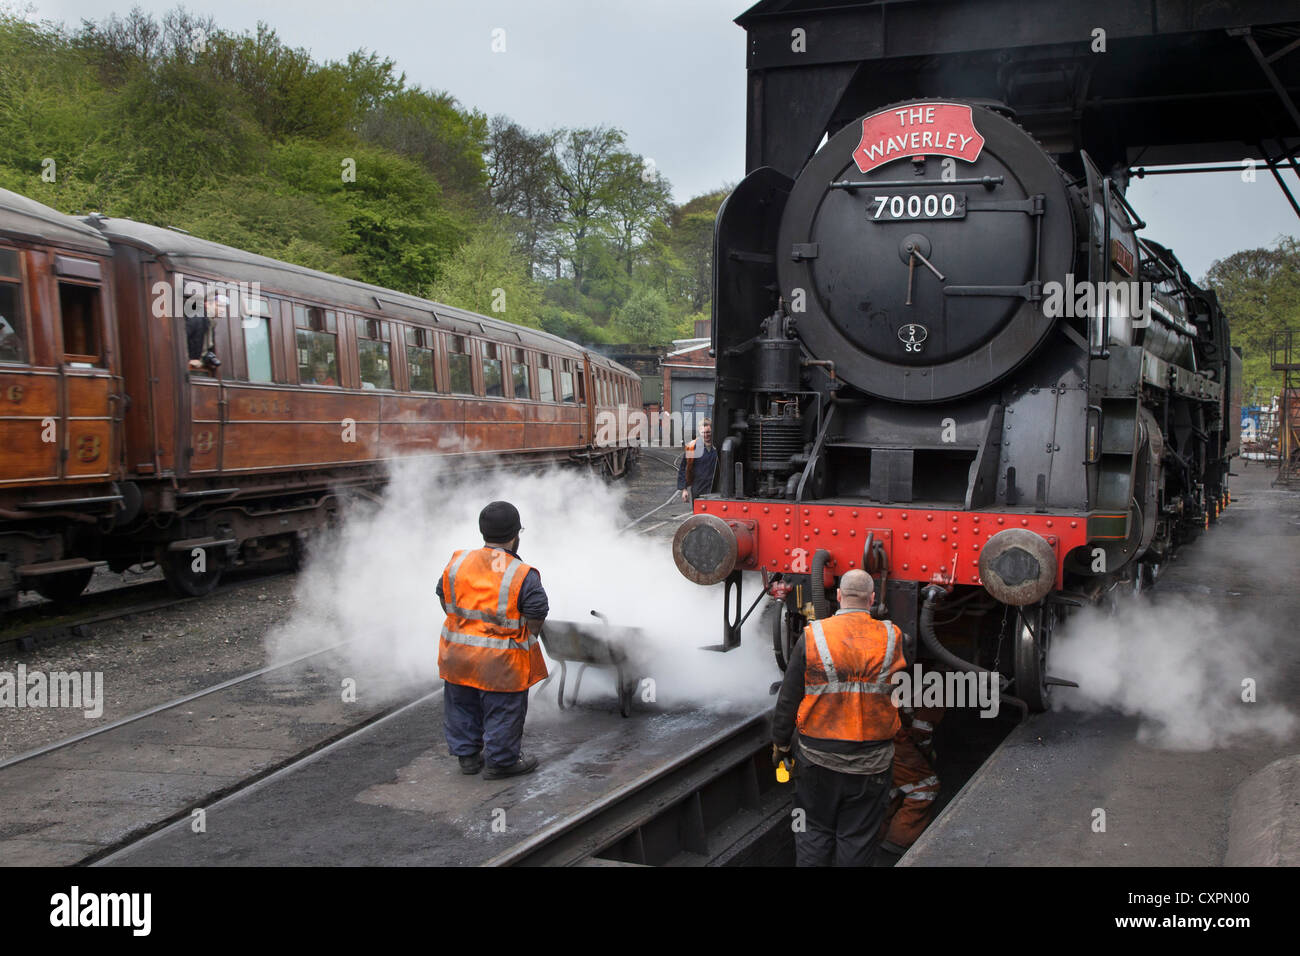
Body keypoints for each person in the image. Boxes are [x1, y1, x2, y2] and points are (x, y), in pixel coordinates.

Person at [770, 569, 907, 866]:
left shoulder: (814, 636)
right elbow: (899, 694)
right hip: (873, 765)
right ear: (872, 599)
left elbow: (789, 697)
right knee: (857, 838)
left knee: (813, 831)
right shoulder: (891, 636)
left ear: (839, 596)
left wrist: (780, 743)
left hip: (818, 761)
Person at [436, 501, 549, 779]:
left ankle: (468, 758)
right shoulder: (521, 573)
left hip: (457, 656)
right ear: (516, 534)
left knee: (462, 704)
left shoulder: (459, 561)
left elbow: (443, 594)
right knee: (503, 710)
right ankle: (501, 762)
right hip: (501, 662)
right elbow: (537, 610)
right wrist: (525, 638)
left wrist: (465, 626)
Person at [880, 705, 943, 854]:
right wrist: (926, 753)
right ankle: (898, 841)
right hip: (896, 739)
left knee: (894, 787)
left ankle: (877, 835)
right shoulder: (940, 687)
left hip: (875, 731)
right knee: (925, 787)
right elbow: (922, 729)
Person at [677, 417, 718, 501]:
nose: (706, 435)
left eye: (708, 432)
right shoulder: (692, 447)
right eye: (703, 432)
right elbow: (684, 468)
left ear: (712, 431)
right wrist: (684, 489)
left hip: (716, 489)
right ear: (699, 431)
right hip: (698, 488)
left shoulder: (719, 446)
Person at [186, 292, 224, 372]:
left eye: (223, 307)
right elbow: (181, 342)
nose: (222, 309)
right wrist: (189, 360)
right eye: (219, 306)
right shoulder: (196, 319)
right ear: (207, 304)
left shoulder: (211, 323)